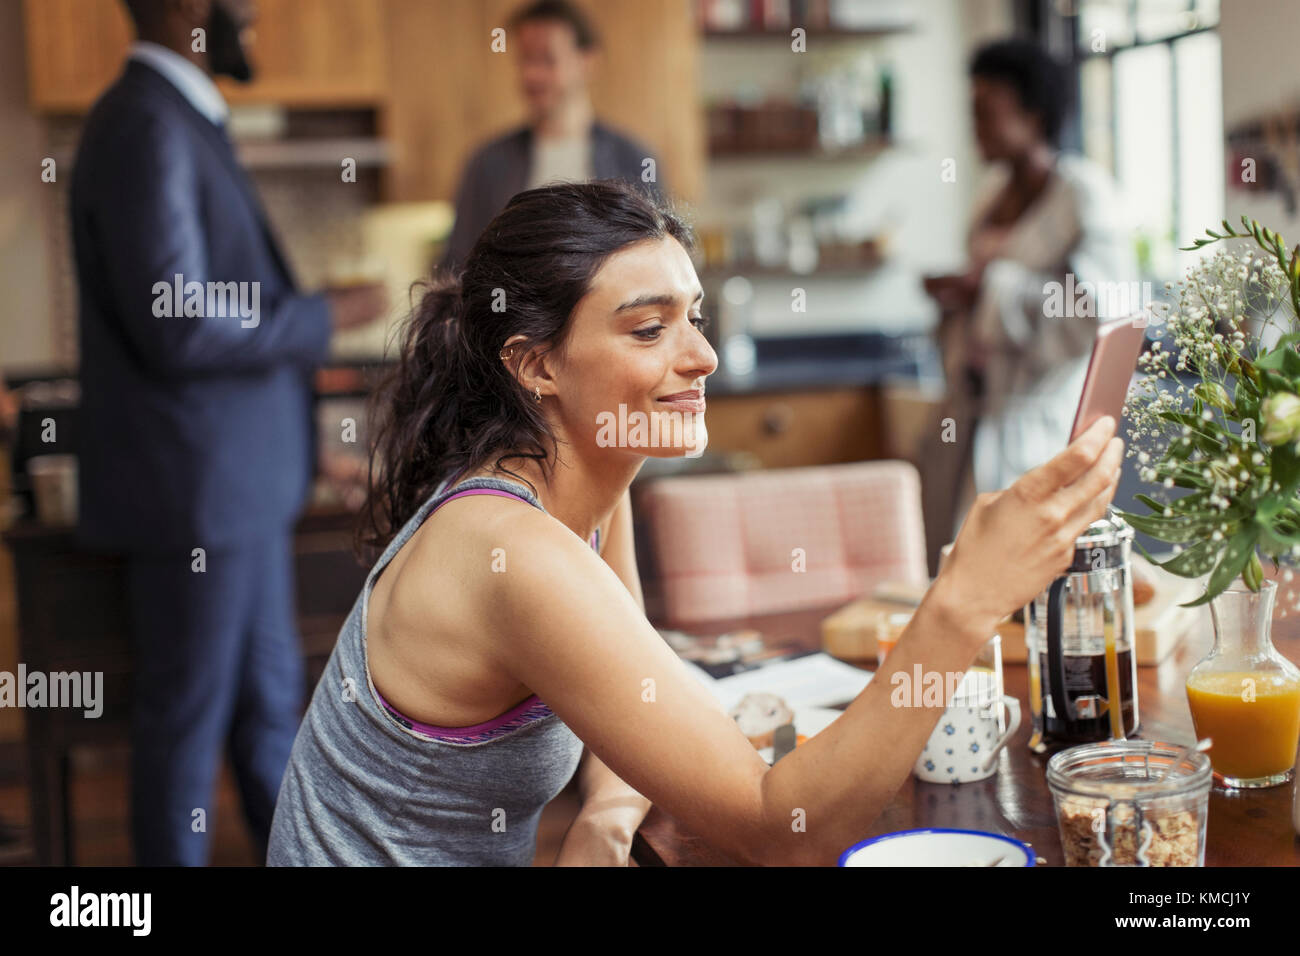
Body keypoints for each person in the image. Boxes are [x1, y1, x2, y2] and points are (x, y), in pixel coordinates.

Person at [267, 179, 1123, 866]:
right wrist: (962, 605)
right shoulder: (512, 554)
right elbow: (782, 828)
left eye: (695, 316)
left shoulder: (590, 484)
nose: (703, 356)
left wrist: (607, 808)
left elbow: (627, 675)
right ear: (534, 365)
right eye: (650, 328)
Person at [70, 0, 385, 865]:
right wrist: (326, 316)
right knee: (188, 733)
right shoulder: (146, 123)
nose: (255, 14)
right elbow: (180, 322)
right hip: (199, 507)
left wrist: (302, 451)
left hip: (231, 496)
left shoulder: (175, 118)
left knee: (265, 719)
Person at [920, 38, 1136, 572]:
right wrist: (960, 298)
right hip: (974, 410)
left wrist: (992, 287)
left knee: (1038, 573)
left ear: (1033, 112)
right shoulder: (991, 194)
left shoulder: (1084, 195)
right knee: (966, 569)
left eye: (985, 110)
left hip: (1041, 421)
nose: (974, 126)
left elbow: (1103, 309)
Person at [438, 0, 668, 272]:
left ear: (587, 61)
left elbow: (658, 261)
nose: (532, 74)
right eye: (525, 58)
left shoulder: (634, 159)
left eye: (548, 59)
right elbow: (457, 265)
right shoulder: (487, 164)